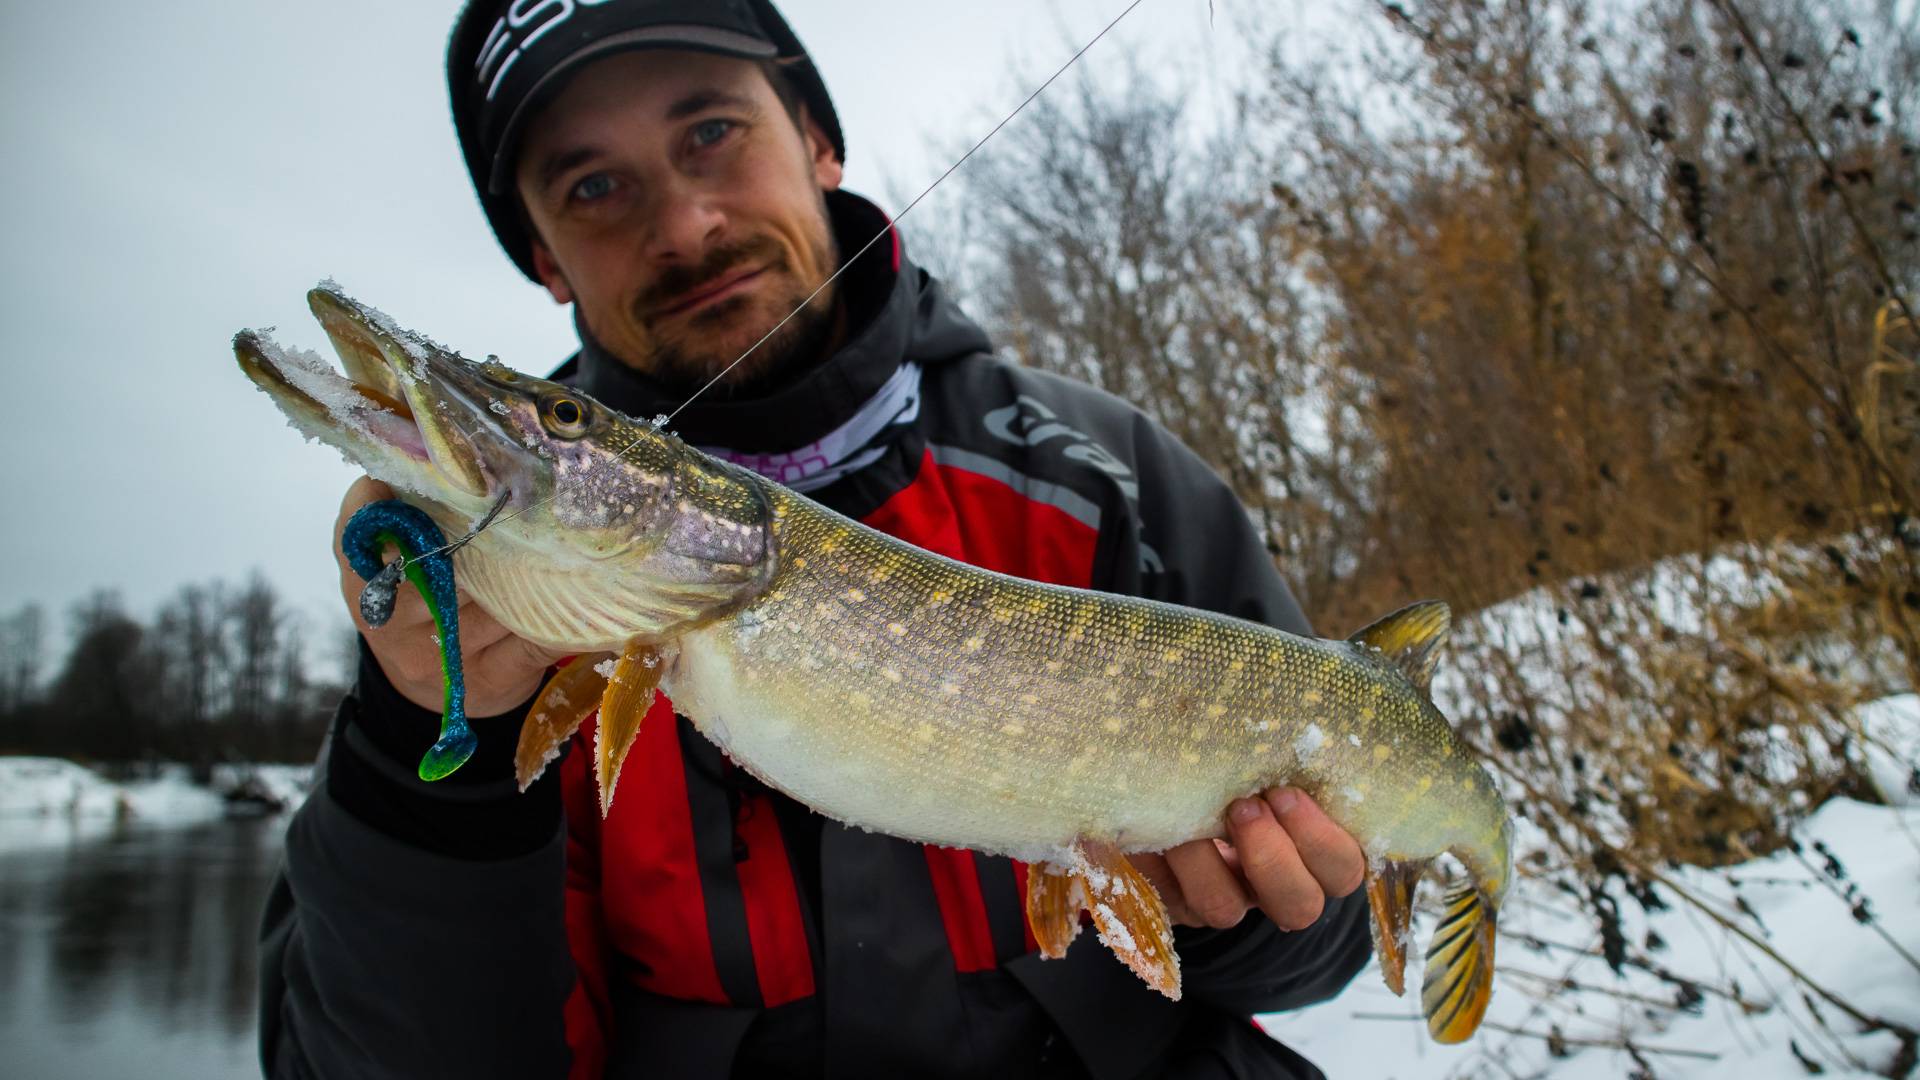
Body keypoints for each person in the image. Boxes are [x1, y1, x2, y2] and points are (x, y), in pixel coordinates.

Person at [258, 2, 1373, 1076]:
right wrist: (419, 756)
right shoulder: (476, 616)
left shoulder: (1101, 478)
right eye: (592, 184)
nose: (685, 225)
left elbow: (1323, 953)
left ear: (817, 140)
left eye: (711, 131)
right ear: (545, 258)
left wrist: (1238, 907)